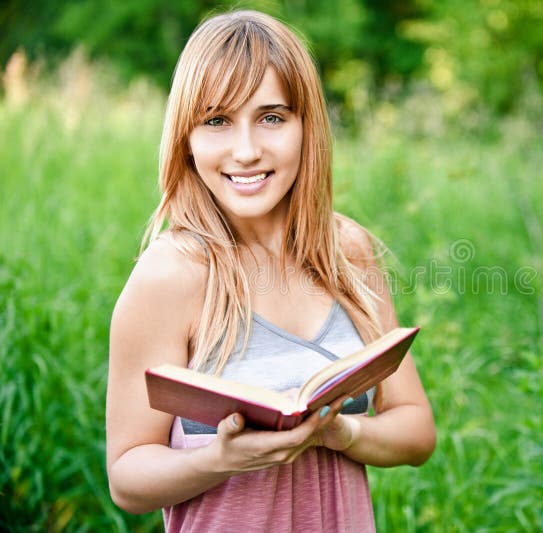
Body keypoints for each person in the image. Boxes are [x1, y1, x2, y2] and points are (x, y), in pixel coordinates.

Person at [105, 10, 436, 532]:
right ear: (186, 139)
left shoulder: (346, 251)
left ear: (307, 127)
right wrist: (221, 459)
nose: (246, 151)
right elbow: (126, 477)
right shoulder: (170, 275)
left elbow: (416, 430)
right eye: (216, 121)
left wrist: (339, 434)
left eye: (272, 117)